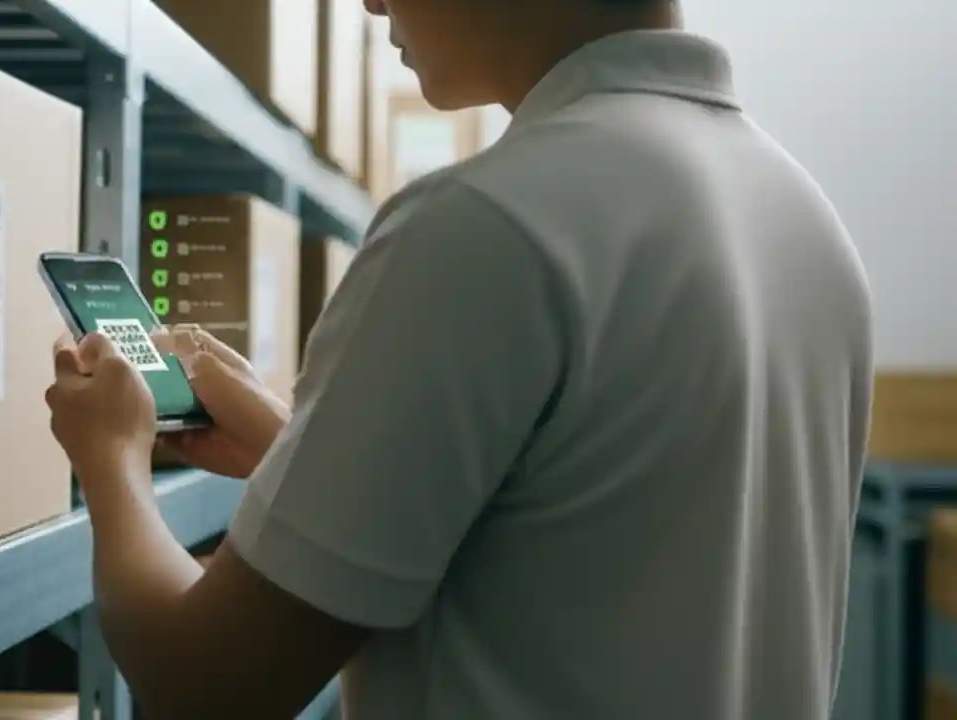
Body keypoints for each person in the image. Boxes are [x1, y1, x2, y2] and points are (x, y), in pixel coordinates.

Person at [45, 0, 873, 717]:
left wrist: (113, 457)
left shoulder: (483, 223)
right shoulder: (808, 223)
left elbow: (206, 684)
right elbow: (591, 541)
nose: (370, 4)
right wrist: (296, 450)